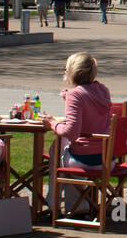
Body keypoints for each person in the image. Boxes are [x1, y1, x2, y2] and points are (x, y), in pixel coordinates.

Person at [42, 52, 112, 216]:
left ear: (72, 71)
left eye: (65, 69)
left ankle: (54, 205)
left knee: (58, 148)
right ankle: (76, 206)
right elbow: (91, 117)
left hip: (83, 158)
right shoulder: (103, 90)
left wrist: (52, 123)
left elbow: (71, 133)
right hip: (104, 156)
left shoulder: (76, 94)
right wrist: (70, 101)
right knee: (58, 149)